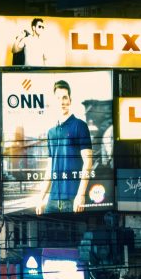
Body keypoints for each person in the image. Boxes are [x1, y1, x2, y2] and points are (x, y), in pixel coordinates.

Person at [35, 80, 94, 214]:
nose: (62, 102)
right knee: (48, 235)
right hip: (53, 200)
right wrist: (41, 198)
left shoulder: (80, 126)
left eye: (64, 97)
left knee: (75, 235)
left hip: (73, 199)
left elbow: (88, 162)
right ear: (54, 102)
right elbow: (50, 168)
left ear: (70, 100)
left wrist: (81, 195)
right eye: (58, 98)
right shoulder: (51, 132)